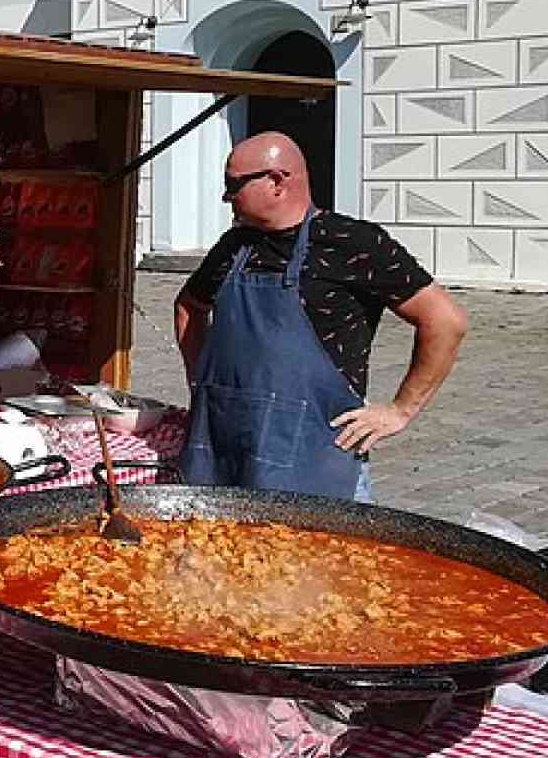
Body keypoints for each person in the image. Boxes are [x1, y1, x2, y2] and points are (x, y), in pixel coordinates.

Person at [174, 132, 468, 501]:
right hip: (223, 455)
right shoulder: (234, 247)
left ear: (277, 181)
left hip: (315, 460)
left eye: (234, 185)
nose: (226, 197)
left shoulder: (352, 243)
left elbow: (445, 321)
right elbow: (189, 307)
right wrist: (201, 384)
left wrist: (400, 410)